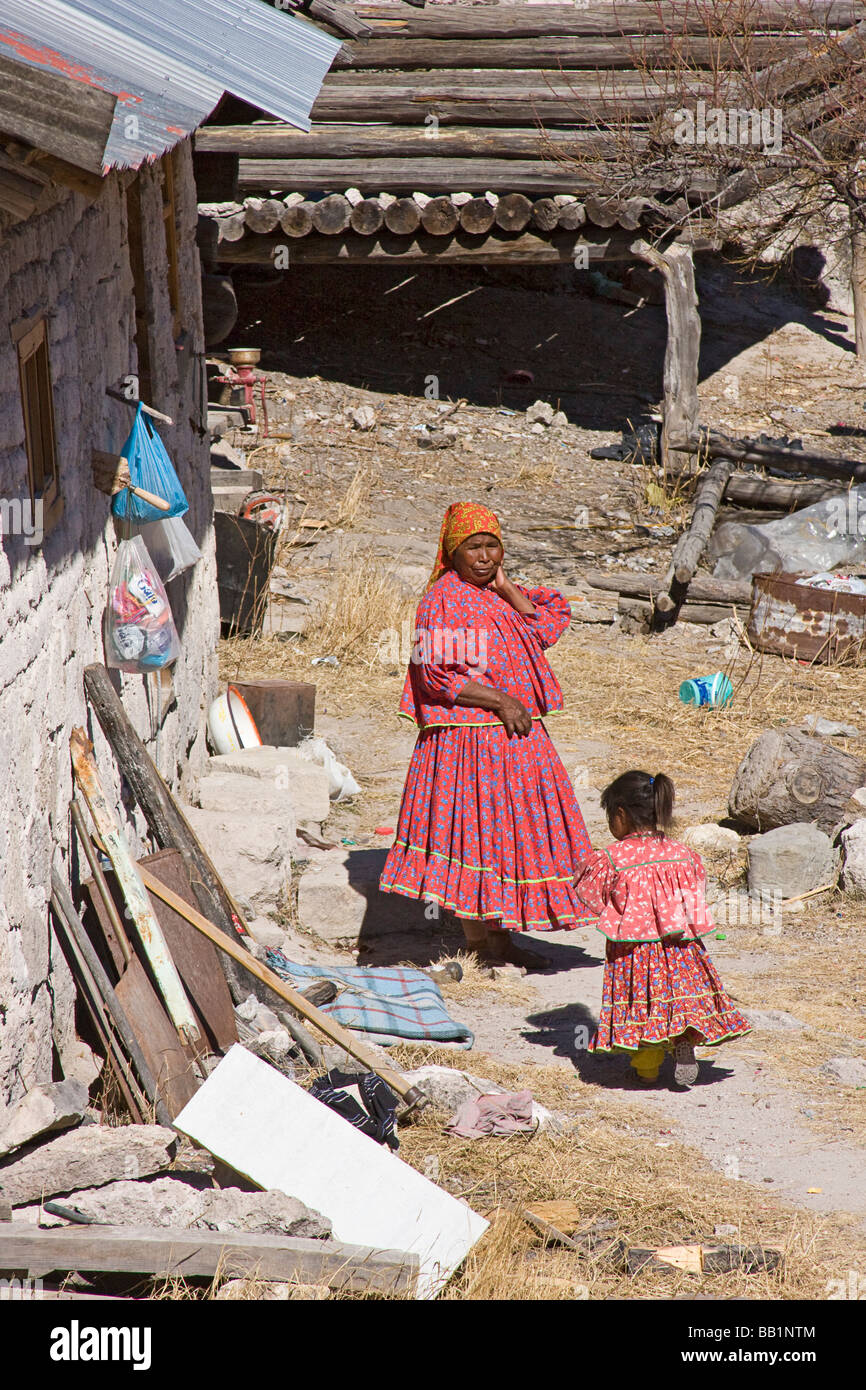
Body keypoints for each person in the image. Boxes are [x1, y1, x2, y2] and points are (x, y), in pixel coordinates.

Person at [379, 501, 591, 967]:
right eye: (472, 547)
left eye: (492, 546)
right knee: (473, 838)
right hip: (465, 744)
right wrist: (502, 701)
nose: (484, 557)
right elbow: (435, 675)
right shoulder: (443, 600)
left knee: (511, 838)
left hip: (514, 740)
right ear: (452, 553)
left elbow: (549, 623)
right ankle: (479, 947)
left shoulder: (497, 594)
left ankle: (502, 941)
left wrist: (509, 589)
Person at [573, 769, 750, 1086]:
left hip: (636, 955)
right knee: (679, 1001)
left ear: (621, 814)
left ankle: (647, 1069)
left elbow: (591, 895)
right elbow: (695, 892)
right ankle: (683, 1043)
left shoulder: (613, 859)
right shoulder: (683, 854)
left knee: (645, 1008)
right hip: (682, 950)